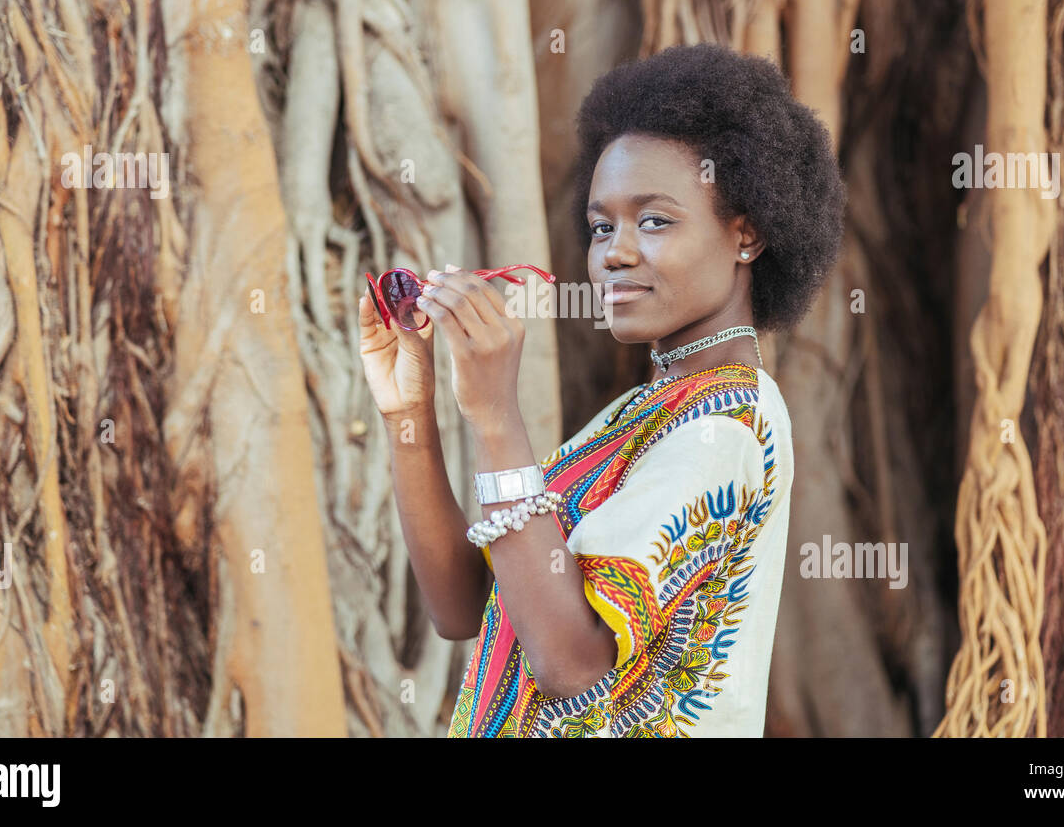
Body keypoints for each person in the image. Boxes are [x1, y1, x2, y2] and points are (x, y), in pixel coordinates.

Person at [358, 42, 845, 737]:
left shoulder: (727, 426)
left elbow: (571, 662)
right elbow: (466, 605)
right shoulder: (643, 415)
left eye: (654, 220)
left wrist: (498, 418)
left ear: (747, 235)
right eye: (600, 225)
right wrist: (408, 413)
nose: (614, 252)